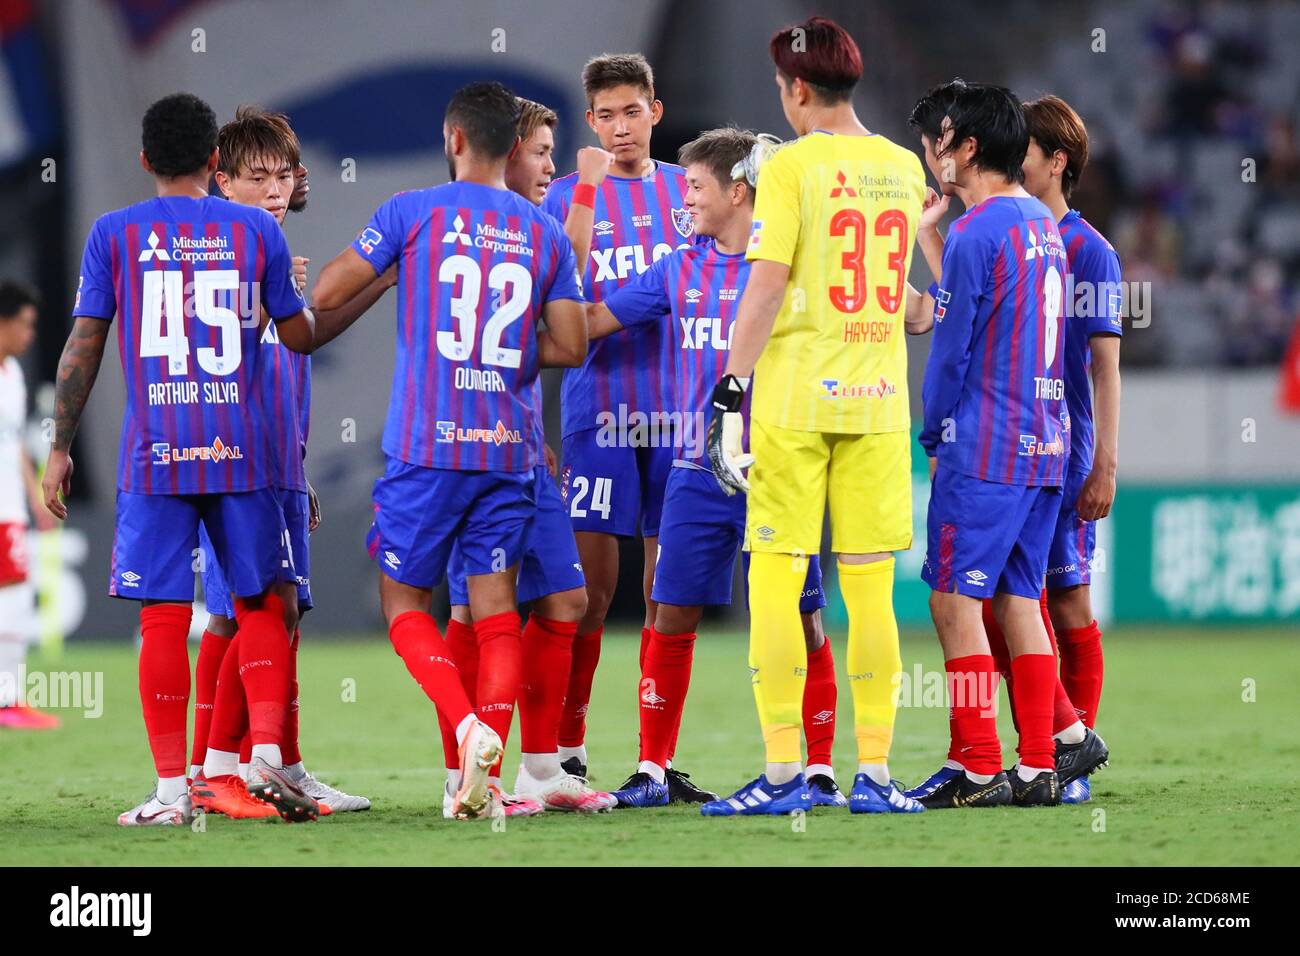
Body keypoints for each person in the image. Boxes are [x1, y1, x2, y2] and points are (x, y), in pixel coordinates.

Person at [310, 81, 588, 820]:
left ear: (455, 138)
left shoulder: (414, 212)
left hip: (426, 448)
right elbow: (572, 342)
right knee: (496, 612)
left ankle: (467, 729)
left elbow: (329, 292)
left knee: (405, 600)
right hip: (505, 450)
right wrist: (501, 357)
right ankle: (487, 775)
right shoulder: (545, 232)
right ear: (511, 145)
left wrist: (399, 275)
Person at [44, 92, 316, 825]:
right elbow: (296, 336)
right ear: (213, 161)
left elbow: (83, 347)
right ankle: (265, 758)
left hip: (157, 451)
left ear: (143, 160)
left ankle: (172, 792)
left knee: (163, 614)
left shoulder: (114, 233)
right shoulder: (257, 232)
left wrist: (60, 447)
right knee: (261, 601)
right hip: (242, 449)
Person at [584, 127, 846, 809]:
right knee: (670, 612)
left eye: (696, 186)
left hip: (779, 469)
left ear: (737, 191)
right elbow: (592, 321)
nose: (685, 199)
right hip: (696, 470)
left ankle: (815, 769)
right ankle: (652, 766)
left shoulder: (793, 265)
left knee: (804, 618)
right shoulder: (678, 268)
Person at [705, 16, 927, 815]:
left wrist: (731, 386)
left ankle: (783, 774)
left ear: (798, 89)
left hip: (797, 403)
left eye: (780, 88)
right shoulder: (903, 169)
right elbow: (898, 290)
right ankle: (874, 773)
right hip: (878, 405)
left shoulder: (791, 167)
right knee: (869, 594)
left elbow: (765, 288)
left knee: (777, 582)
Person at [189, 105, 385, 819]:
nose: (273, 190)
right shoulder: (215, 260)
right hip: (233, 469)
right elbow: (205, 360)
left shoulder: (277, 262)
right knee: (238, 615)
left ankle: (279, 765)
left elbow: (294, 357)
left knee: (278, 614)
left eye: (282, 176)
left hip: (277, 468)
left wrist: (379, 282)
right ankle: (212, 770)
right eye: (255, 177)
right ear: (222, 182)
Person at [438, 98, 616, 815]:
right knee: (475, 609)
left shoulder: (520, 227)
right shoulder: (470, 224)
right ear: (506, 150)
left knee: (567, 598)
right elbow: (566, 288)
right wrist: (593, 190)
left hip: (520, 444)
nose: (551, 166)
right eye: (541, 152)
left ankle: (540, 769)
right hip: (462, 450)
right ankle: (463, 777)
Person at [541, 55, 704, 796]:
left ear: (656, 111)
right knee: (590, 594)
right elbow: (559, 297)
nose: (618, 127)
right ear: (590, 122)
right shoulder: (570, 197)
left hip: (681, 416)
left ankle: (653, 763)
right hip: (597, 415)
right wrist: (584, 190)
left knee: (669, 589)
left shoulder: (689, 191)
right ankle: (566, 752)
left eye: (630, 112)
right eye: (604, 116)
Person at [908, 80, 1071, 808]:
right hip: (1045, 442)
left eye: (942, 139)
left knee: (953, 602)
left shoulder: (976, 233)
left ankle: (979, 766)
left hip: (987, 446)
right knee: (1020, 601)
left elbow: (951, 352)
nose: (935, 153)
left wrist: (933, 426)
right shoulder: (1041, 221)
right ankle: (1038, 765)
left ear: (968, 148)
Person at [0, 280, 59, 730]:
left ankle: (9, 698)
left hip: (9, 509)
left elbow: (14, 441)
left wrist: (35, 491)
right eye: (25, 324)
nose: (30, 334)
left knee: (16, 599)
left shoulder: (14, 373)